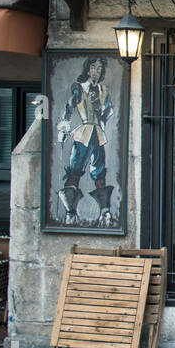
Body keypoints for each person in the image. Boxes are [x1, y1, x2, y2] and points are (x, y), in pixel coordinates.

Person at [55, 56, 115, 226]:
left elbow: (108, 109)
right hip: (84, 133)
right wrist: (64, 127)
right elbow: (70, 106)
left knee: (99, 169)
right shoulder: (79, 88)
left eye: (99, 69)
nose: (96, 71)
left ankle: (105, 211)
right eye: (94, 68)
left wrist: (103, 118)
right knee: (76, 168)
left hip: (97, 133)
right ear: (88, 70)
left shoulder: (103, 90)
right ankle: (70, 211)